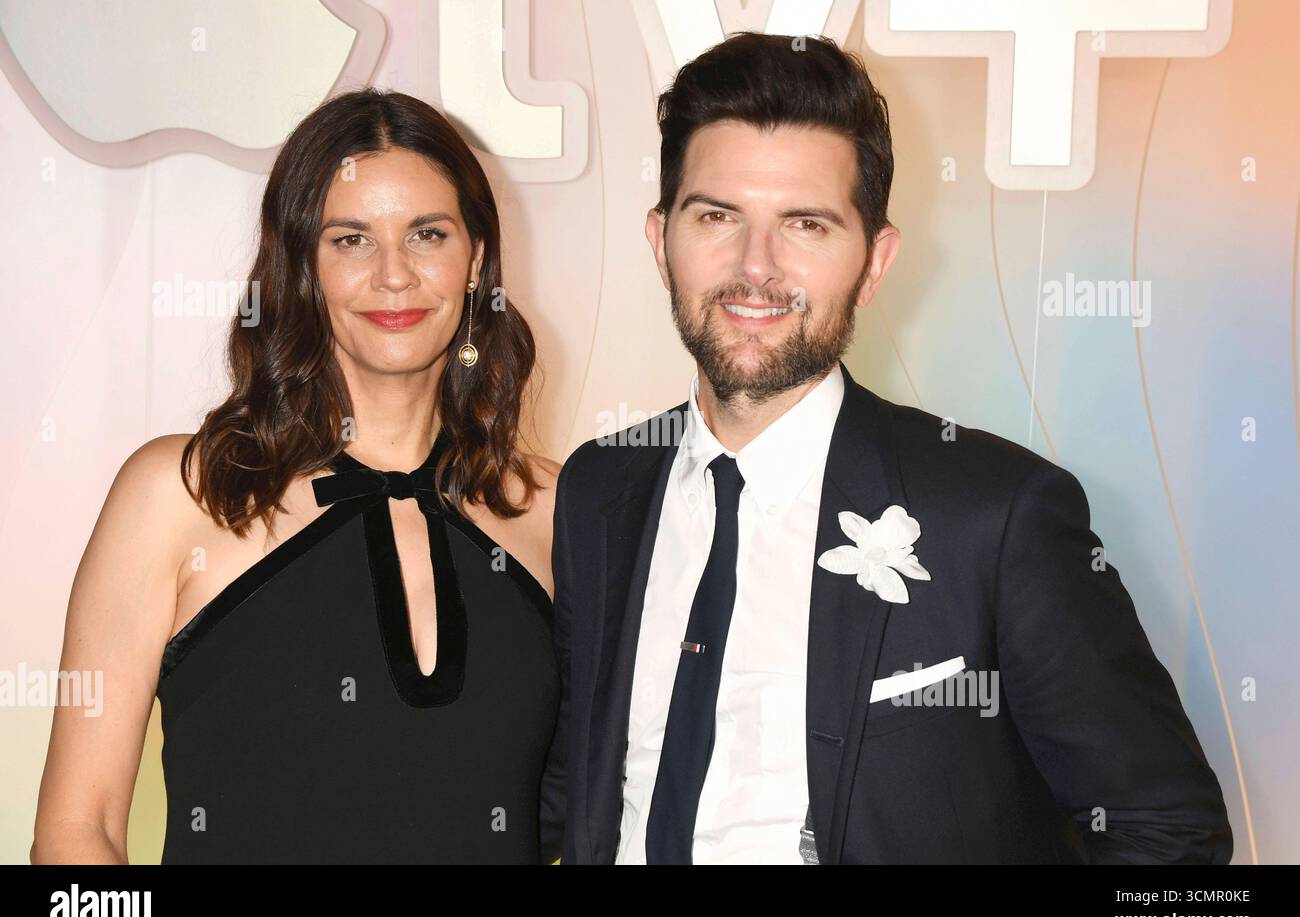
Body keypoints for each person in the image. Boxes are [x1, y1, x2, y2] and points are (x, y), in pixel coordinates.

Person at [551, 32, 1233, 864]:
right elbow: (574, 793)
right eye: (717, 216)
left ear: (874, 263)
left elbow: (1171, 837)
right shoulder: (600, 488)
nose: (755, 267)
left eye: (806, 224)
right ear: (661, 242)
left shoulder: (998, 514)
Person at [31, 89, 566, 864]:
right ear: (302, 265)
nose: (394, 276)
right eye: (351, 239)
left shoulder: (554, 511)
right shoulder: (182, 495)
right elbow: (77, 835)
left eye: (427, 234)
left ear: (476, 256)